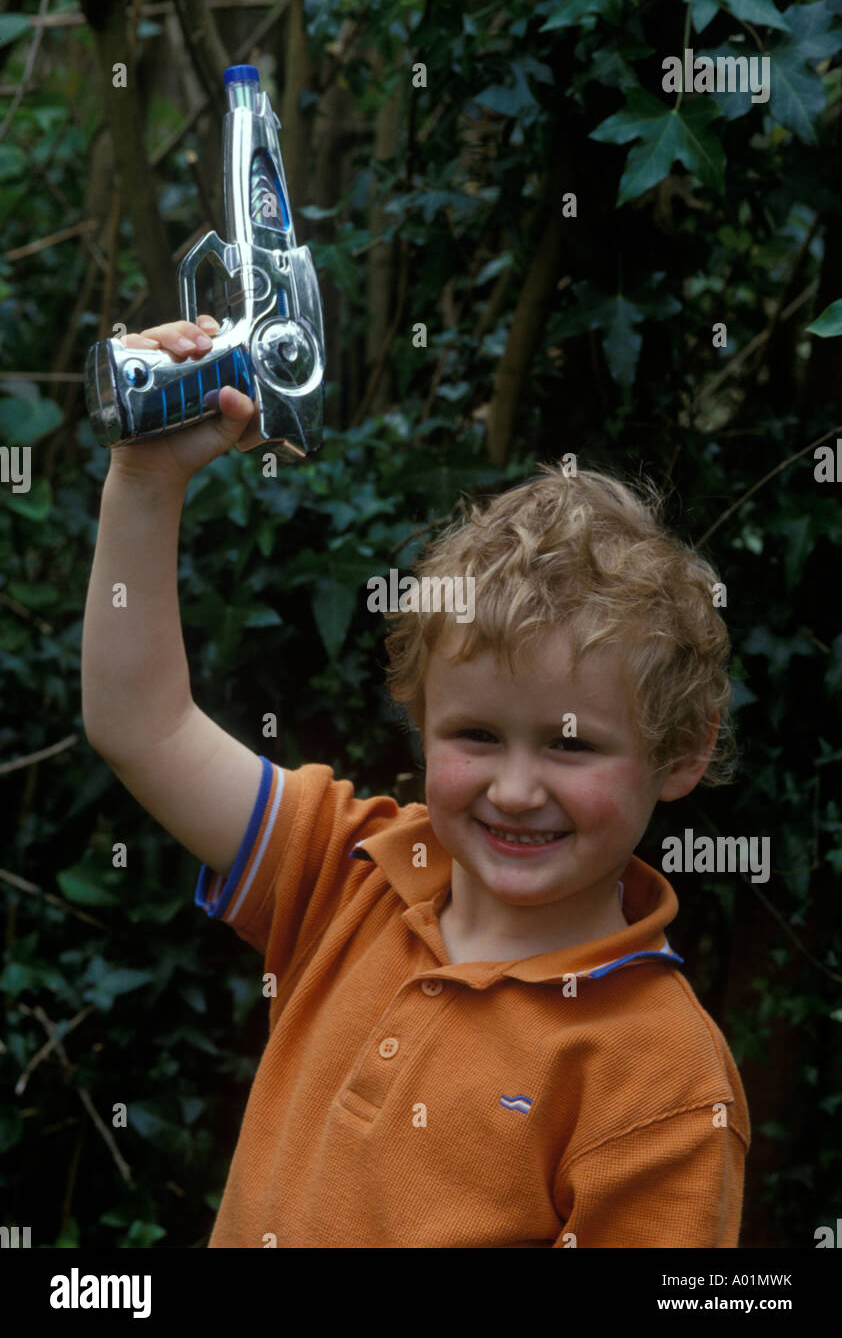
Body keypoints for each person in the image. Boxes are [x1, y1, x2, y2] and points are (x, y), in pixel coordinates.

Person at [82, 316, 749, 1248]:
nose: (516, 790)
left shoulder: (664, 1083)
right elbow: (141, 726)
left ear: (681, 750)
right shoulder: (349, 871)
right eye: (477, 734)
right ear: (419, 717)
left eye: (569, 746)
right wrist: (146, 481)